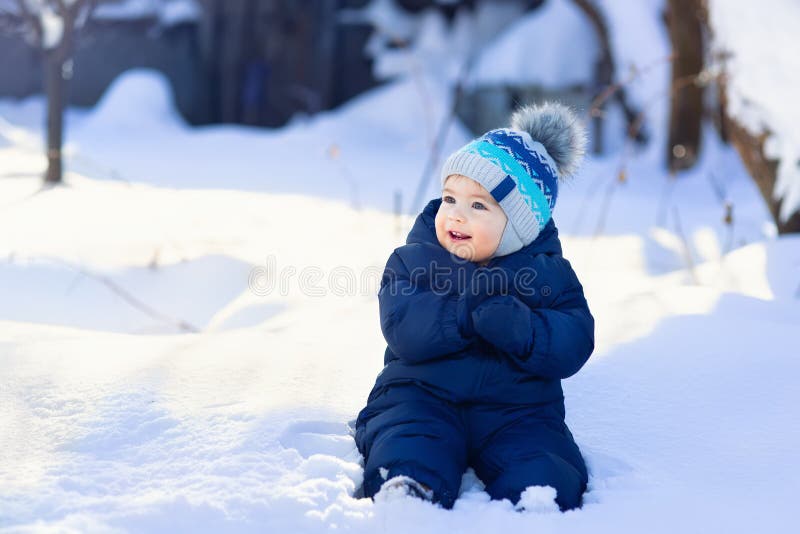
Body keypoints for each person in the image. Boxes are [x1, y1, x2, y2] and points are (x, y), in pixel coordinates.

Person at [354, 102, 594, 511]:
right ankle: (408, 489)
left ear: (520, 227)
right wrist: (461, 316)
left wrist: (526, 331)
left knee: (542, 456)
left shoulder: (548, 275)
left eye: (479, 205)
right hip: (420, 392)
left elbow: (575, 338)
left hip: (518, 408)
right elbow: (403, 327)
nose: (456, 215)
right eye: (449, 198)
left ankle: (538, 500)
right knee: (407, 435)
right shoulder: (414, 260)